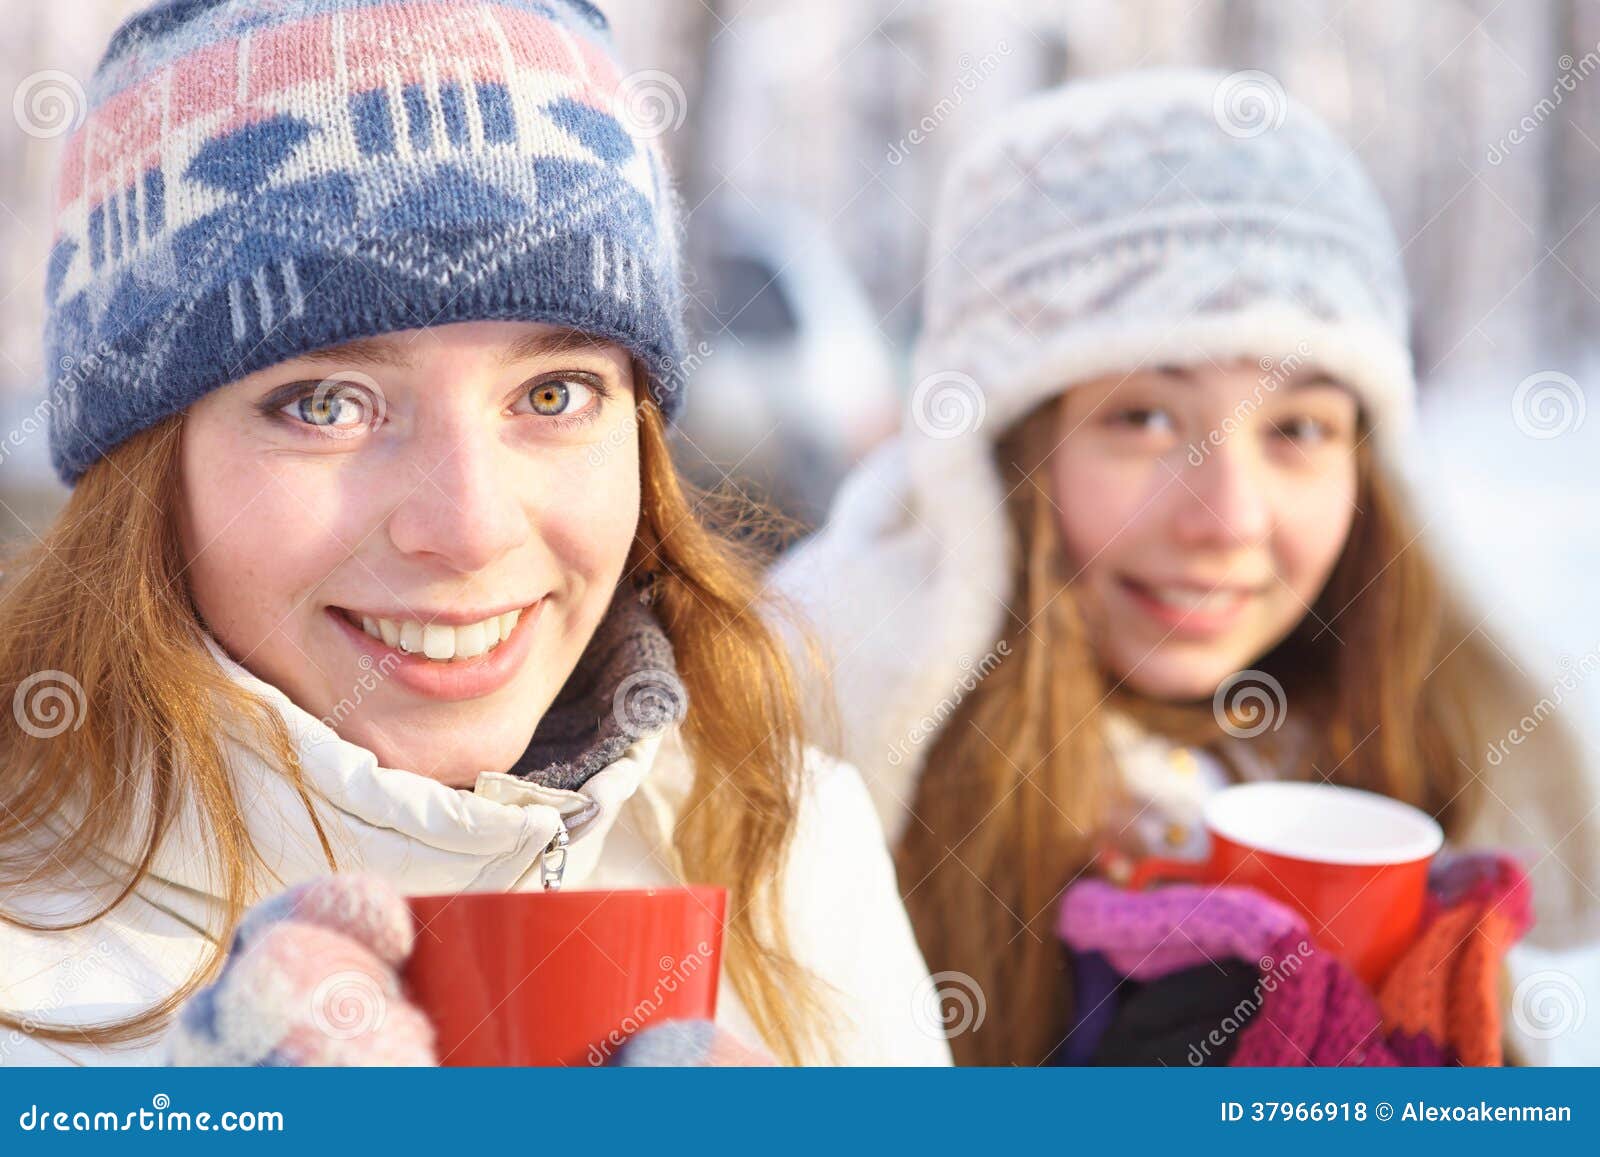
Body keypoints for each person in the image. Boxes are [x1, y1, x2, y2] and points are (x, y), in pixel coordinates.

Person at [0, 0, 948, 1068]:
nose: (468, 527)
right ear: (146, 471)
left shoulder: (789, 846)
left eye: (551, 393)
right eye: (326, 402)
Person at [772, 69, 1600, 1066]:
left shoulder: (1398, 754)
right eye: (1145, 417)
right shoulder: (798, 782)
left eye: (1298, 427)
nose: (1227, 518)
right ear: (1000, 464)